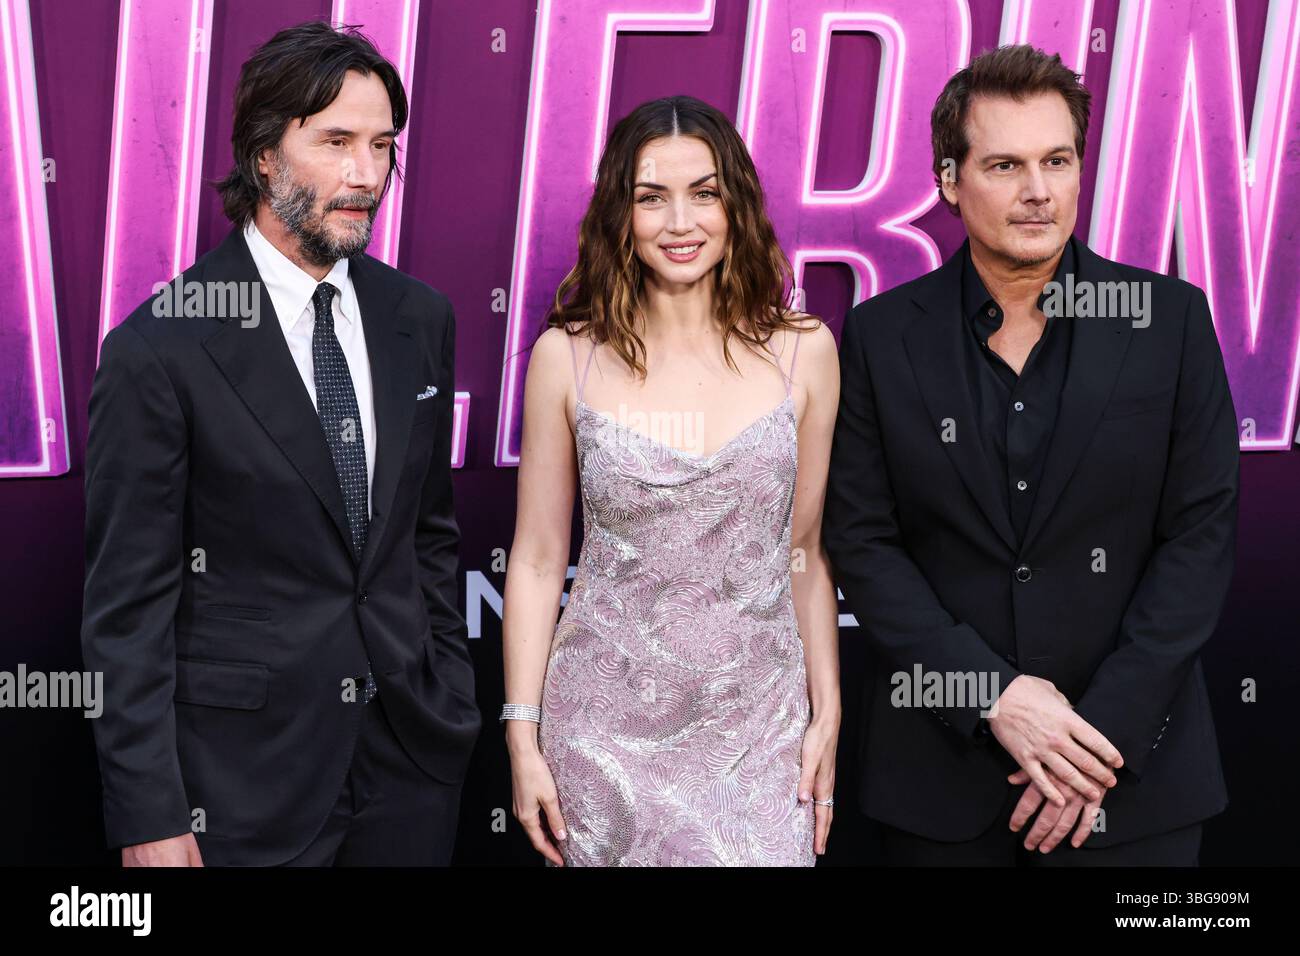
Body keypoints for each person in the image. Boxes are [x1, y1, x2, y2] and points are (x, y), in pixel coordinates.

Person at [823, 44, 1238, 866]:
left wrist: (1096, 746)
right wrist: (994, 699)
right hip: (943, 790)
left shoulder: (1169, 320)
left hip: (1135, 788)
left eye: (1058, 160)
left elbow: (1202, 534)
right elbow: (864, 543)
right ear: (949, 180)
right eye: (1006, 164)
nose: (1039, 191)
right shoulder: (880, 336)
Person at [81, 21, 479, 866]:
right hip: (239, 787)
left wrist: (447, 691)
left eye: (381, 145)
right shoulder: (160, 349)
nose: (366, 174)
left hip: (410, 765)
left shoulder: (420, 318)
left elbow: (426, 535)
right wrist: (150, 812)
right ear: (264, 154)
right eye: (335, 141)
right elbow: (128, 611)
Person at [501, 96, 841, 866]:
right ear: (620, 213)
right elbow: (536, 558)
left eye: (705, 193)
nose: (680, 222)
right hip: (604, 736)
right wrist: (523, 736)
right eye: (651, 197)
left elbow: (807, 553)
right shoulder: (567, 356)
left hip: (756, 735)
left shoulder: (805, 353)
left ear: (736, 205)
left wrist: (828, 714)